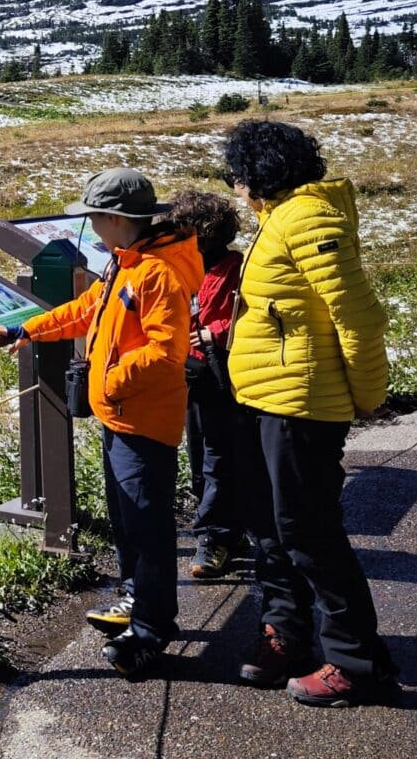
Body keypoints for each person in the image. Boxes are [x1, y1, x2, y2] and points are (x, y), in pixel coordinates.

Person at [0, 167, 202, 678]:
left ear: (114, 218)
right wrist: (32, 328)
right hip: (122, 415)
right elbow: (91, 309)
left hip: (142, 420)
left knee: (147, 527)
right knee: (128, 518)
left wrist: (106, 381)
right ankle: (134, 598)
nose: (89, 226)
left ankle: (151, 629)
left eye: (91, 217)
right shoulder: (128, 262)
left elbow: (167, 352)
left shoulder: (157, 271)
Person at [221, 120, 399, 707]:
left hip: (300, 405)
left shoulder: (308, 219)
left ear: (257, 175)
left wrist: (367, 395)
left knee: (309, 532)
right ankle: (289, 634)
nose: (236, 188)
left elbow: (359, 315)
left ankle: (357, 663)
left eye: (237, 175)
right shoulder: (284, 216)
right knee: (270, 528)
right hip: (266, 399)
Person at [168, 188, 248, 579]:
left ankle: (213, 537)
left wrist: (215, 333)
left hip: (220, 374)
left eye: (182, 231)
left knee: (217, 456)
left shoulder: (234, 267)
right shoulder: (187, 267)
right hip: (192, 374)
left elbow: (249, 315)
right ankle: (229, 530)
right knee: (201, 456)